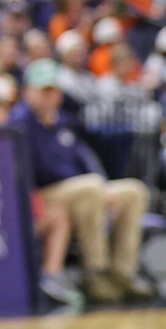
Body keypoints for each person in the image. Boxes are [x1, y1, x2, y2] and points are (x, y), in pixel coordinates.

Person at [16, 59, 152, 305]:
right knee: (90, 188)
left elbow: (85, 157)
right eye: (43, 90)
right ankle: (95, 271)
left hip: (81, 190)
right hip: (43, 195)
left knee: (134, 191)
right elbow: (37, 171)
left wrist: (104, 185)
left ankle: (122, 273)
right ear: (28, 91)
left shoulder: (63, 122)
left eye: (53, 90)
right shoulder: (21, 124)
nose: (50, 96)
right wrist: (95, 185)